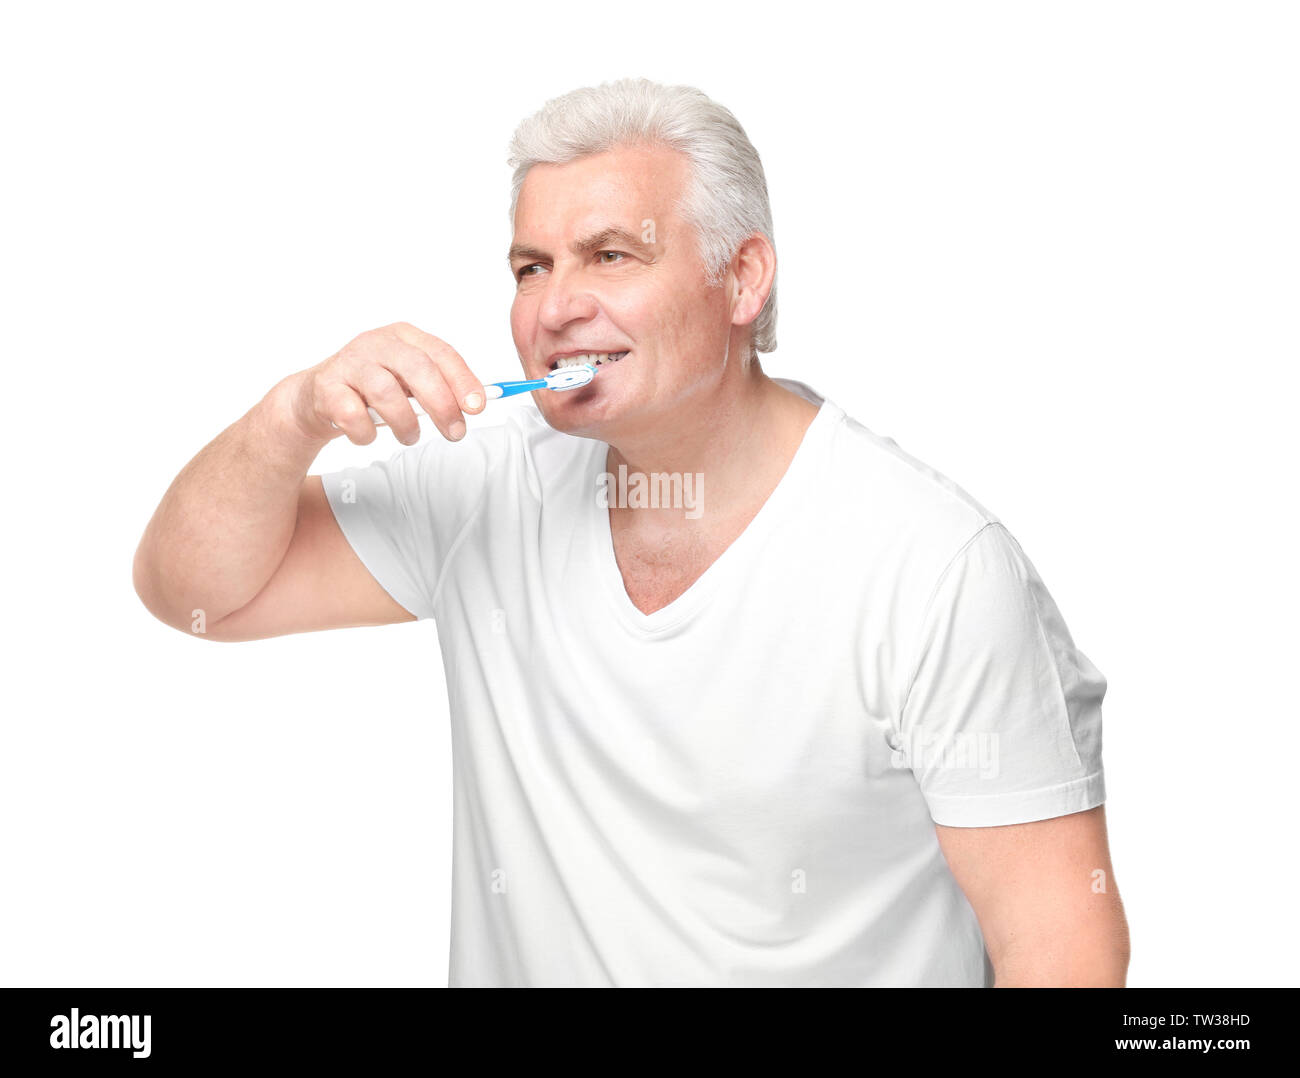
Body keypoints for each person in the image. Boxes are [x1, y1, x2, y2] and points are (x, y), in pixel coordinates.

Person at [133, 78, 1130, 987]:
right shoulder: (489, 482)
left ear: (742, 280)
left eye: (611, 254)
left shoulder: (932, 571)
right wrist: (291, 416)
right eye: (531, 267)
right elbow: (196, 592)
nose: (556, 306)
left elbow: (1060, 946)